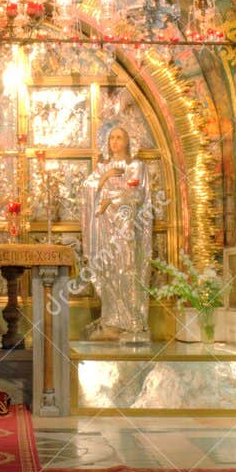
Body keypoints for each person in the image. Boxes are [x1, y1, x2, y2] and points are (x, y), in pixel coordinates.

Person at [81, 123, 152, 342]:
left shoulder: (137, 166)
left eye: (119, 137)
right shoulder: (104, 168)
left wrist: (109, 199)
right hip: (106, 230)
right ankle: (111, 321)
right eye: (111, 137)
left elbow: (138, 195)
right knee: (109, 271)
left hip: (128, 230)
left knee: (127, 270)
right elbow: (88, 189)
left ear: (128, 141)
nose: (115, 142)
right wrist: (106, 177)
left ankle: (132, 323)